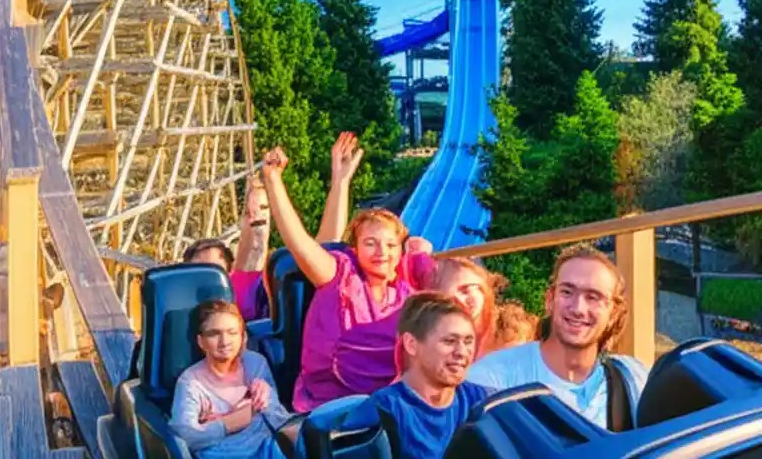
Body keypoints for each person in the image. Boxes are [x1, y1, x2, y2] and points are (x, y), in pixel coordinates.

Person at [260, 145, 434, 411]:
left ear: (400, 250)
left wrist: (422, 256)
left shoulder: (407, 292)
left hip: (389, 403)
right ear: (355, 249)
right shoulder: (339, 275)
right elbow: (299, 242)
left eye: (390, 245)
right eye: (371, 244)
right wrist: (273, 182)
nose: (381, 253)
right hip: (333, 405)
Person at [465, 243, 650, 428]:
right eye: (567, 292)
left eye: (593, 297)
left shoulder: (631, 381)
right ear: (549, 300)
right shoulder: (493, 379)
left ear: (614, 313)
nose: (578, 308)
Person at [344, 292, 491, 459]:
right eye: (450, 341)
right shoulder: (382, 412)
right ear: (411, 345)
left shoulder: (483, 402)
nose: (462, 352)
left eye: (468, 341)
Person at [170, 300, 291, 458]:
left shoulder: (255, 363)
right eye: (214, 334)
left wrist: (267, 397)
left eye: (232, 333)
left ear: (243, 337)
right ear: (201, 341)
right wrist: (231, 422)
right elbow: (185, 435)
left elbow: (278, 419)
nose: (225, 342)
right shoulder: (190, 382)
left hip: (266, 448)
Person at [183, 180, 272, 321]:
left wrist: (256, 200)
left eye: (214, 270)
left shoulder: (240, 291)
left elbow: (256, 244)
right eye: (200, 269)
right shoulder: (179, 307)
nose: (209, 277)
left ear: (228, 272)